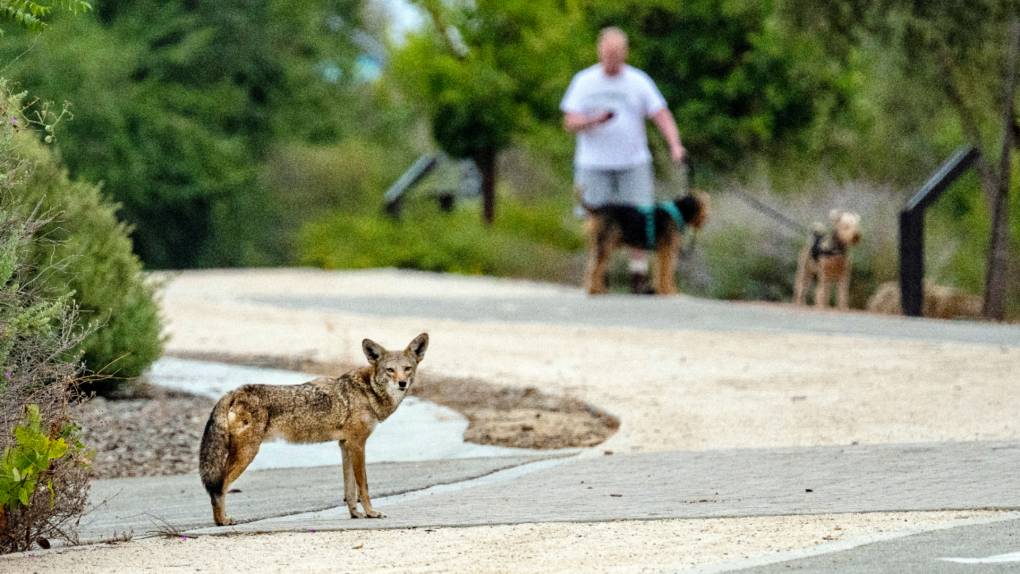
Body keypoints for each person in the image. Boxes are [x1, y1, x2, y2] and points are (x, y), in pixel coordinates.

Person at [561, 26, 686, 293]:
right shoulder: (584, 81)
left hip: (633, 162)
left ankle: (638, 276)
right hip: (594, 163)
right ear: (599, 51)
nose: (613, 59)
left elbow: (660, 114)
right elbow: (569, 121)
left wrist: (674, 144)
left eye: (617, 54)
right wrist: (593, 120)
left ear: (625, 53)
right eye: (608, 54)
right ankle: (597, 273)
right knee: (596, 220)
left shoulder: (638, 81)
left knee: (642, 220)